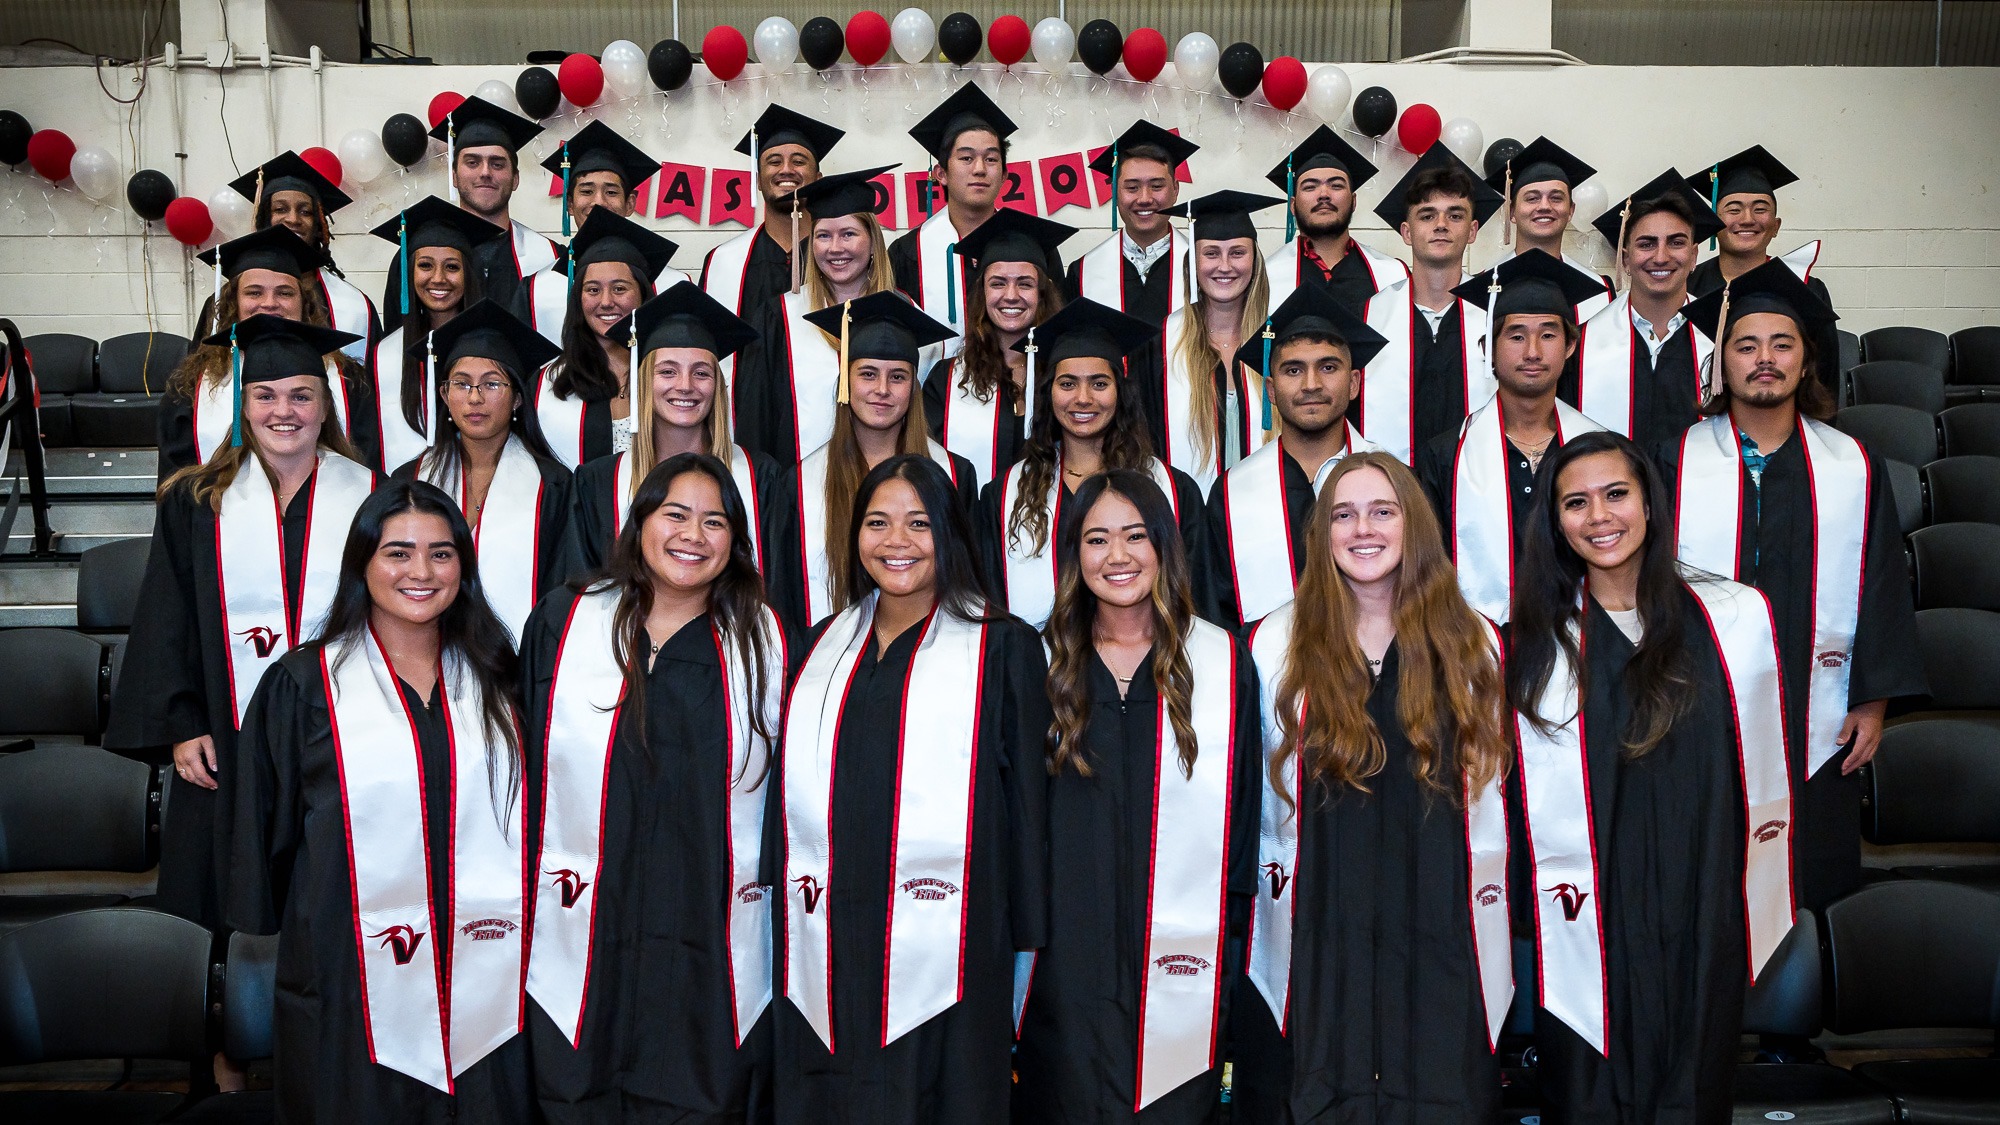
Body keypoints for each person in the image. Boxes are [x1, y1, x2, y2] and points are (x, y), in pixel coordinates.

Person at [1509, 431, 1795, 1123]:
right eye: (1575, 502)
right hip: (1591, 915)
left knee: (1694, 1084)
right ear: (1554, 520)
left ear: (1649, 502)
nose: (1599, 516)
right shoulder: (1534, 644)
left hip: (1700, 898)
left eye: (1616, 494)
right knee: (1588, 1094)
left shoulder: (1731, 618)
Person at [227, 480, 532, 1123]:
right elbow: (268, 834)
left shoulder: (501, 677)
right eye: (398, 552)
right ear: (362, 563)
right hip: (349, 960)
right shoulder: (305, 684)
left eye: (441, 554)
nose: (421, 571)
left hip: (487, 954)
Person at [1232, 452, 1513, 1123]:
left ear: (1413, 524)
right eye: (1344, 513)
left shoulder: (1475, 647)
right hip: (1321, 940)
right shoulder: (1271, 648)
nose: (1364, 528)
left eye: (1383, 510)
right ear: (1320, 533)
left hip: (1441, 936)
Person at [774, 455, 1050, 1125]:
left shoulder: (1001, 647)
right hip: (830, 937)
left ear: (949, 533)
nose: (896, 541)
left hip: (955, 946)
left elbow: (1029, 817)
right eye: (877, 522)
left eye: (918, 522)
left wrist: (1024, 951)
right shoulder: (817, 649)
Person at [523, 454, 793, 1123]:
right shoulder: (564, 622)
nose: (692, 535)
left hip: (705, 929)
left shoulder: (766, 641)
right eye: (675, 514)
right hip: (587, 920)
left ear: (736, 541)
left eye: (714, 521)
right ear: (639, 520)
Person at [1664, 261, 1925, 912]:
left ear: (1807, 360)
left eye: (1782, 344)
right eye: (1746, 345)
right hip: (1702, 706)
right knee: (1702, 878)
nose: (1764, 360)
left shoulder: (1851, 465)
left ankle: (1801, 995)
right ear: (1722, 361)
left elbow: (1881, 584)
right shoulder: (1674, 460)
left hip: (1816, 708)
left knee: (1805, 878)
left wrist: (1872, 700)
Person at [108, 317, 375, 936]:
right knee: (221, 903)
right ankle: (224, 1019)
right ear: (243, 404)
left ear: (325, 404)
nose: (285, 411)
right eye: (266, 395)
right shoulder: (196, 501)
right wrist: (183, 724)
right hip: (224, 743)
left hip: (339, 738)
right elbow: (166, 615)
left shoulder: (372, 497)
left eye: (302, 395)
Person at [1012, 470, 1261, 1123]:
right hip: (1063, 962)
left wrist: (1228, 949)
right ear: (1074, 554)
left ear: (1165, 547)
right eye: (1096, 539)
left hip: (1186, 954)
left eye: (1135, 536)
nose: (1116, 556)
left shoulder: (1222, 662)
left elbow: (1241, 822)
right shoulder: (1036, 661)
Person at [981, 299, 1208, 629]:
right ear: (1050, 392)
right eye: (1067, 383)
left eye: (1099, 384)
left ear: (1120, 393)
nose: (1083, 398)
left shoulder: (1172, 489)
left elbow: (1193, 597)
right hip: (1036, 671)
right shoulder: (1003, 496)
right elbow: (993, 605)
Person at [1417, 249, 1609, 623]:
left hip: (1584, 644)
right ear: (1489, 349)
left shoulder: (1601, 450)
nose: (1533, 352)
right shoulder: (1444, 456)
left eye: (1549, 335)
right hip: (1476, 650)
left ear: (1570, 346)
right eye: (1516, 336)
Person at [766, 292, 972, 630]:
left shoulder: (954, 475)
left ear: (913, 387)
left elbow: (965, 585)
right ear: (846, 382)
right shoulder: (799, 483)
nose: (882, 389)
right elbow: (785, 597)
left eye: (898, 376)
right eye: (868, 374)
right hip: (827, 660)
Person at [564, 282, 784, 579]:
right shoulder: (597, 483)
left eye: (701, 373)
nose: (685, 385)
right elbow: (582, 587)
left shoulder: (761, 477)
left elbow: (778, 583)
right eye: (667, 371)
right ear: (644, 383)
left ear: (717, 385)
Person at [1206, 284, 1389, 631]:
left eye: (1328, 368)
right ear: (1271, 391)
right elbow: (1217, 615)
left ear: (1354, 384)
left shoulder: (1395, 484)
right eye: (1293, 370)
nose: (1311, 384)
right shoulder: (1231, 494)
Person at [390, 300, 571, 641]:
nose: (475, 399)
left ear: (517, 398)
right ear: (444, 394)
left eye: (491, 384)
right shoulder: (409, 480)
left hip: (520, 664)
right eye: (461, 384)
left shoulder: (555, 486)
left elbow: (561, 590)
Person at [162, 225, 381, 475]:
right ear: (234, 302)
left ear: (305, 303)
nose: (269, 303)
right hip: (217, 511)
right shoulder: (191, 387)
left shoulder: (348, 380)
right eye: (254, 292)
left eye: (284, 293)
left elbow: (366, 470)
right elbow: (175, 490)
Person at [736, 166, 903, 465]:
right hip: (798, 494)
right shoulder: (780, 318)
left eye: (849, 234)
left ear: (873, 241)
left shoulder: (905, 313)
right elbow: (756, 423)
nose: (835, 248)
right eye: (823, 235)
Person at [1359, 143, 1505, 462]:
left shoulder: (1498, 313)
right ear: (1407, 232)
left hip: (1479, 481)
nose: (1441, 224)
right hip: (1395, 490)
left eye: (1455, 215)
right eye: (1428, 215)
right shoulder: (1371, 315)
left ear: (1472, 231)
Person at [891, 84, 1058, 340]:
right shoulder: (906, 253)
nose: (980, 169)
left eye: (991, 159)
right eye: (966, 158)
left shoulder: (1035, 245)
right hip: (933, 380)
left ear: (1004, 176)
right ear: (941, 174)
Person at [1572, 173, 1725, 447]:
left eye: (1676, 243)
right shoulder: (1582, 345)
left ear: (1694, 256)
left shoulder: (1722, 340)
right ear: (1626, 259)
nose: (1661, 256)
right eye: (1646, 244)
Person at [925, 208, 1073, 489]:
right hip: (970, 527)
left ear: (1042, 294)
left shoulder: (1065, 375)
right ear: (982, 292)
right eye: (998, 283)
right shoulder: (945, 382)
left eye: (1025, 284)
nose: (1011, 296)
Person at [1148, 190, 1286, 489]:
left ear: (1255, 261)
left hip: (1266, 512)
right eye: (1211, 253)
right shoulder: (1159, 346)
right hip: (1185, 521)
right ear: (1193, 264)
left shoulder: (1281, 342)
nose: (1225, 266)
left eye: (1237, 252)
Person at [1684, 146, 1841, 391]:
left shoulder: (1807, 288)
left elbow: (1824, 376)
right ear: (1714, 223)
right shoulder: (1687, 286)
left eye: (1760, 209)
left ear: (1776, 226)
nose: (1747, 219)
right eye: (1734, 209)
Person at [380, 95, 551, 318]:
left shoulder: (549, 257)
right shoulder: (415, 256)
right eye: (472, 162)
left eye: (497, 164)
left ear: (516, 178)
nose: (485, 172)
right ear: (454, 176)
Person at [368, 196, 505, 472]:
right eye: (425, 265)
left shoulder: (495, 348)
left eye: (452, 267)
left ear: (469, 274)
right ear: (409, 272)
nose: (439, 278)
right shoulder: (385, 354)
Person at [533, 207, 673, 469]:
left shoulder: (670, 372)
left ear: (643, 295)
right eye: (593, 290)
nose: (606, 302)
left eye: (620, 289)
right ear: (578, 299)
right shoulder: (547, 384)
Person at [518, 121, 684, 340]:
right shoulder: (535, 290)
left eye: (611, 192)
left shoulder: (674, 287)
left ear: (630, 203)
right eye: (586, 191)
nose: (598, 203)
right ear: (569, 204)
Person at [213, 150, 377, 363]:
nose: (293, 219)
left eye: (305, 211)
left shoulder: (355, 307)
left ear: (319, 224)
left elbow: (369, 388)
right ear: (264, 218)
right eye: (280, 209)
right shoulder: (227, 302)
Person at [702, 103, 846, 331]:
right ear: (758, 180)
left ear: (818, 179)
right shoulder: (723, 261)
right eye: (774, 161)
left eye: (799, 161)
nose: (786, 169)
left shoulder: (844, 257)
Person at [1063, 121, 1199, 325]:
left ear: (1176, 189)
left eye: (1156, 186)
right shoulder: (1083, 272)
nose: (1144, 198)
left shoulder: (1202, 268)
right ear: (1115, 192)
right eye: (1132, 187)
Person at [1261, 126, 1408, 312]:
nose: (1324, 194)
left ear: (1354, 201)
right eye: (1309, 187)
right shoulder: (1266, 277)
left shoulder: (1392, 276)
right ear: (1292, 205)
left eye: (1336, 186)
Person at [1481, 136, 1615, 322]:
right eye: (1532, 198)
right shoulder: (1483, 286)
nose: (1544, 206)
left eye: (1556, 198)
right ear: (1512, 212)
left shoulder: (1599, 292)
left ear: (1571, 211)